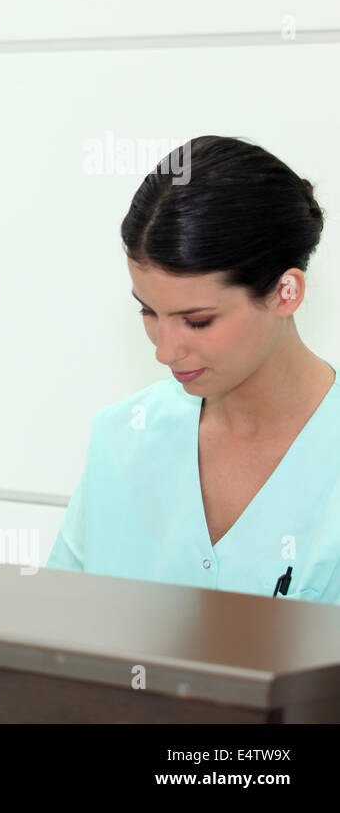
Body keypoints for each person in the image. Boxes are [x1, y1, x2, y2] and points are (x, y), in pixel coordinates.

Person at [48, 136, 337, 601]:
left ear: (287, 292)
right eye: (148, 312)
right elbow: (60, 633)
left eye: (197, 321)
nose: (165, 352)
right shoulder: (123, 438)